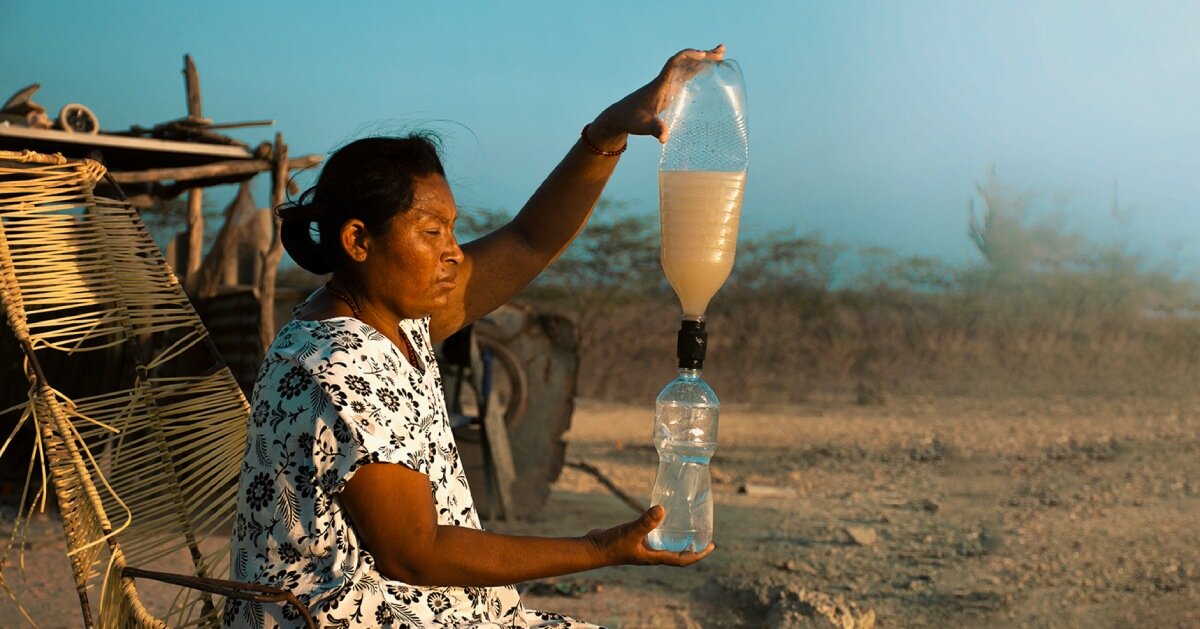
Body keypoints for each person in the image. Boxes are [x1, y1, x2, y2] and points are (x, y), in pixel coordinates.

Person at [224, 45, 724, 628]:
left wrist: (611, 128)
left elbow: (531, 241)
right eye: (430, 231)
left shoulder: (393, 320)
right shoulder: (337, 367)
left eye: (452, 229)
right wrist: (599, 549)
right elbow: (415, 551)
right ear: (359, 241)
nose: (452, 252)